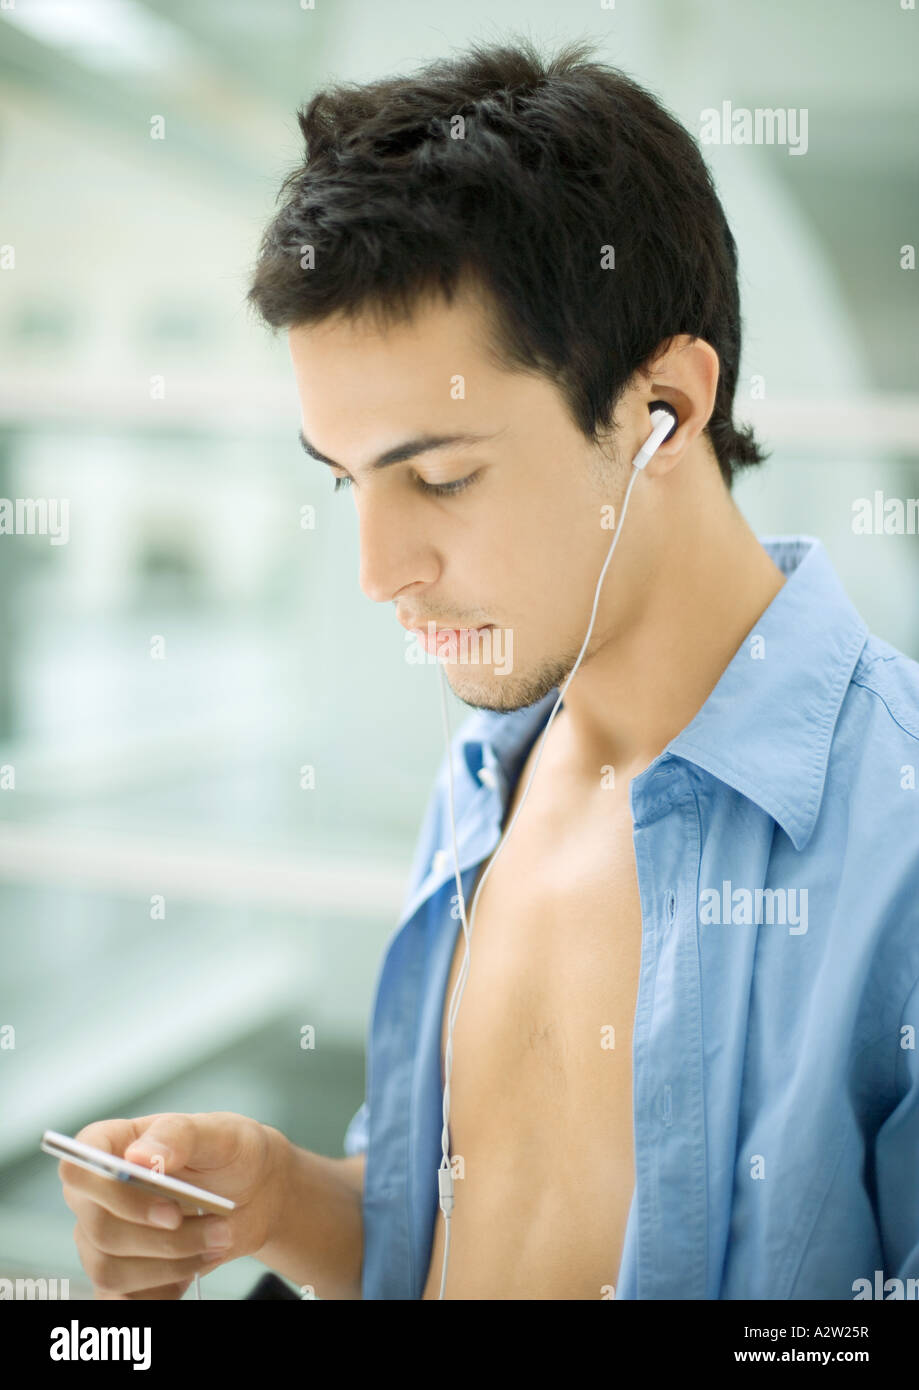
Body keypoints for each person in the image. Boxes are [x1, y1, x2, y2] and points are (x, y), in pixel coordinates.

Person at [59, 36, 919, 1301]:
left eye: (442, 475)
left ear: (664, 411)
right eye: (345, 480)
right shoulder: (488, 775)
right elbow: (474, 1237)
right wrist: (286, 1198)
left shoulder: (890, 829)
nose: (378, 569)